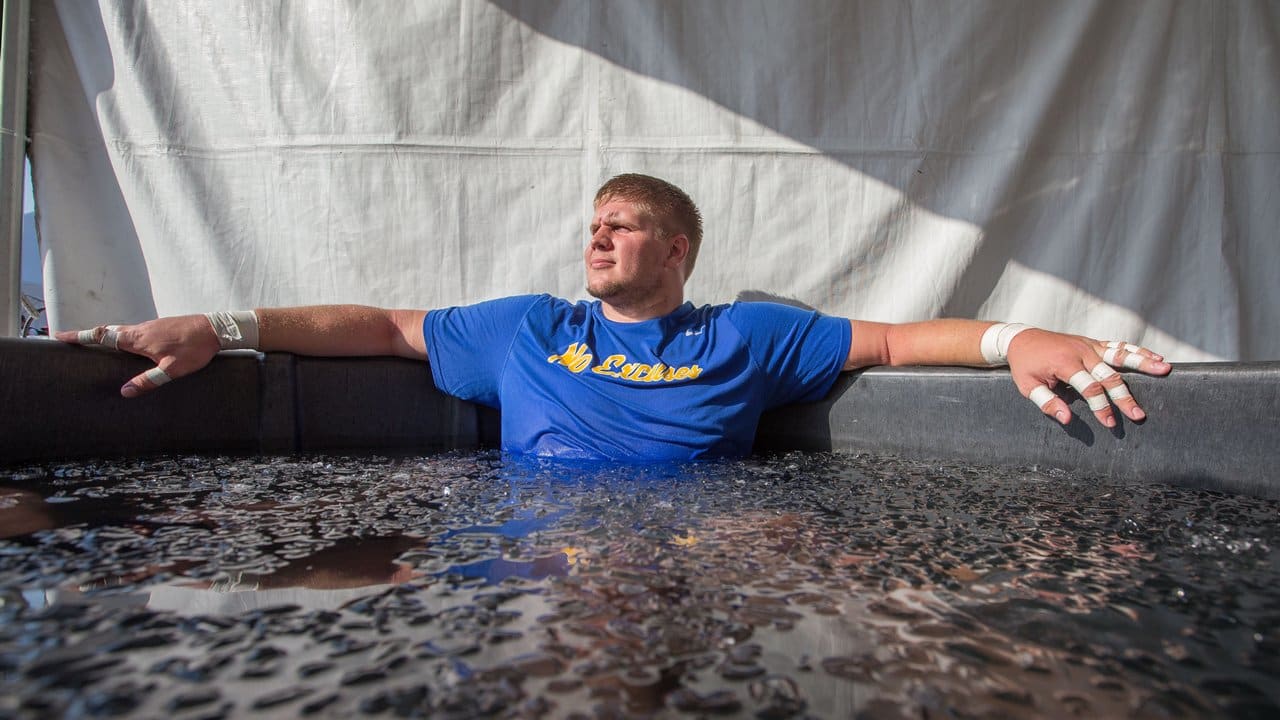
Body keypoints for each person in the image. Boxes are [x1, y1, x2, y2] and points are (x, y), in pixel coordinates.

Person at [57, 174, 1171, 460]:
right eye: (593, 222)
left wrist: (1014, 338)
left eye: (623, 224)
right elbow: (384, 328)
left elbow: (886, 341)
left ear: (674, 249)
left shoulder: (744, 334)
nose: (597, 237)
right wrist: (226, 324)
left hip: (699, 550)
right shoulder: (525, 329)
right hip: (534, 548)